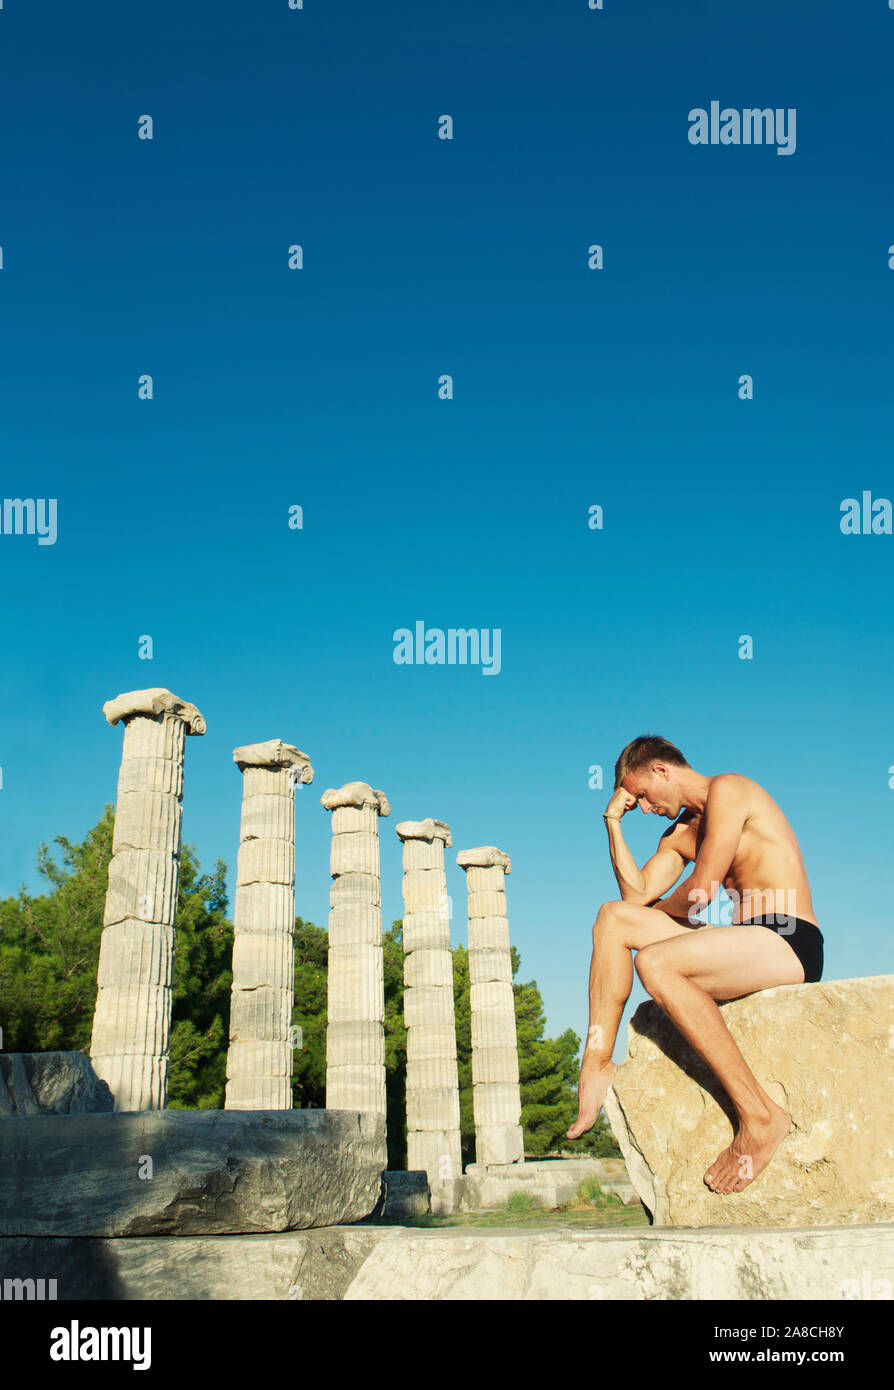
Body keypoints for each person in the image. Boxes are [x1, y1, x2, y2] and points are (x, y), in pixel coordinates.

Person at [566, 734, 824, 1196]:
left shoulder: (729, 790)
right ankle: (596, 1063)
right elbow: (635, 897)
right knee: (611, 919)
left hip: (787, 937)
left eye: (642, 795)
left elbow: (702, 891)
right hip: (738, 941)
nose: (642, 808)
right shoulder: (679, 833)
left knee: (656, 963)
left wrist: (660, 911)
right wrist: (612, 822)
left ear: (662, 770)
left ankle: (761, 1118)